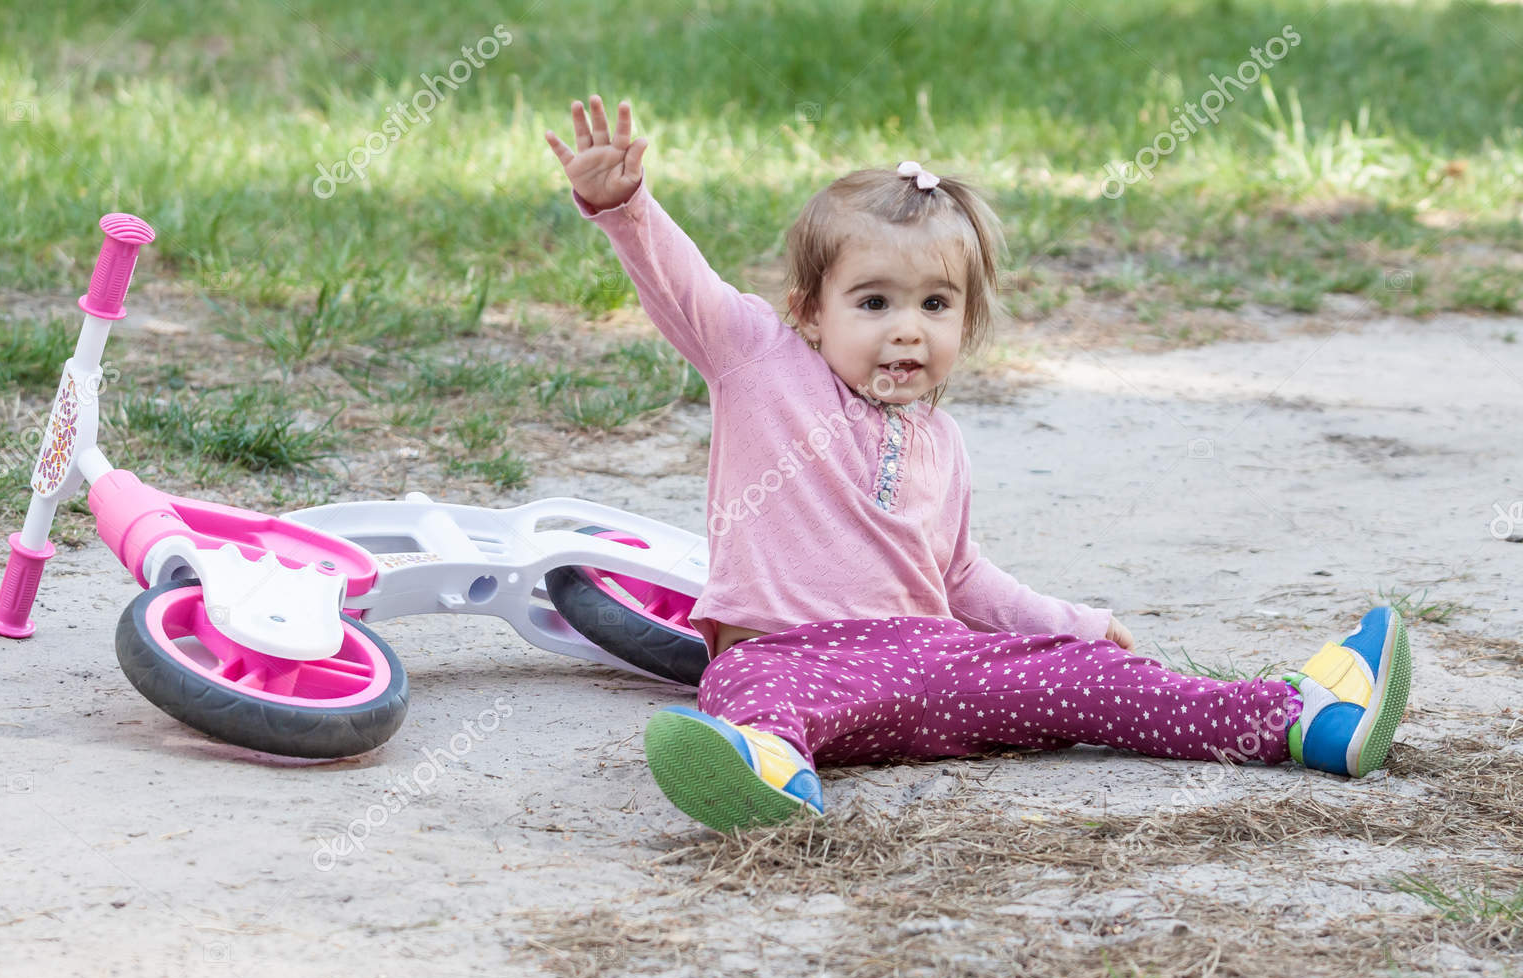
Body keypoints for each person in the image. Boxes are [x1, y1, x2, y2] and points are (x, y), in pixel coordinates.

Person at [545, 95, 1413, 833]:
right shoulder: (760, 363)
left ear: (966, 319)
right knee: (744, 694)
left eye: (935, 304)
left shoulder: (941, 442)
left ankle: (1303, 715)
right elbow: (682, 285)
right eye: (874, 302)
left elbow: (960, 573)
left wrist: (1069, 622)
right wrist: (625, 207)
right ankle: (770, 769)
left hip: (934, 663)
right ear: (810, 311)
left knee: (1098, 682)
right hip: (790, 657)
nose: (907, 328)